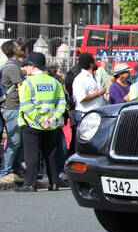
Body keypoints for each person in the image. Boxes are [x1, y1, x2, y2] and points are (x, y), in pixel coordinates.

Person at [15, 52, 66, 192]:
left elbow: (26, 105)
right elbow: (62, 103)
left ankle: (30, 184)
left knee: (32, 154)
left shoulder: (27, 82)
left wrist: (39, 119)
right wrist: (53, 118)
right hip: (51, 125)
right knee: (51, 153)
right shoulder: (54, 82)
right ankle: (54, 183)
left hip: (33, 124)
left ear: (32, 66)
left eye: (27, 65)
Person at [1, 38, 27, 185]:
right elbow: (20, 87)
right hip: (13, 108)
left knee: (19, 140)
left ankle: (14, 170)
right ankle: (6, 171)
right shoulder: (12, 67)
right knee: (14, 140)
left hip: (13, 108)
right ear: (14, 50)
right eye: (18, 46)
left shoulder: (12, 66)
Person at [72, 52, 107, 127]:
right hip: (85, 115)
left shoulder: (95, 75)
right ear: (91, 64)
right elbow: (81, 98)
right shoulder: (80, 79)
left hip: (96, 114)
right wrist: (98, 93)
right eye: (94, 61)